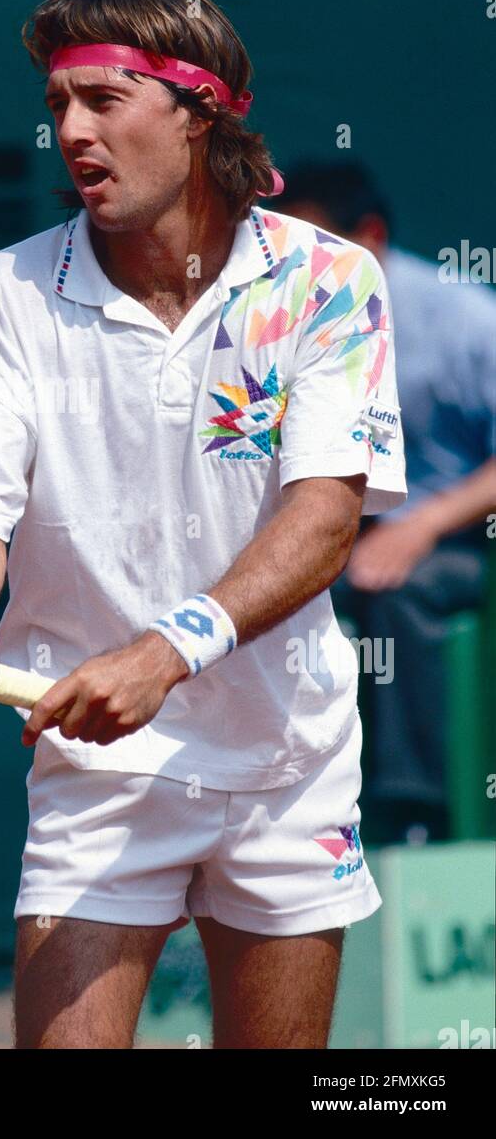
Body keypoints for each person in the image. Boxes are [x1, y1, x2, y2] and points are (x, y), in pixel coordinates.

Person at [0, 0, 407, 1049]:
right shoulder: (10, 289)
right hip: (94, 774)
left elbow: (320, 522)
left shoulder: (326, 281)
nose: (70, 131)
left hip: (282, 766)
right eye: (55, 107)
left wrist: (164, 652)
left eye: (103, 100)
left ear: (199, 106)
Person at [276, 161, 496, 845]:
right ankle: (278, 806)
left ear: (367, 236)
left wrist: (422, 526)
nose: (293, 265)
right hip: (347, 539)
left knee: (400, 594)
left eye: (310, 245)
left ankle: (414, 815)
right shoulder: (283, 320)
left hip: (458, 544)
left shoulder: (463, 317)